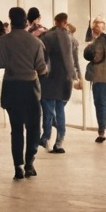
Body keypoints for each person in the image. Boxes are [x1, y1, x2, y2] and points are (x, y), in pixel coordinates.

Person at [0, 6, 46, 179]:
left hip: (12, 87)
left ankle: (18, 166)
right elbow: (42, 69)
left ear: (11, 20)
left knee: (16, 129)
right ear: (26, 21)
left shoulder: (3, 42)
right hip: (30, 88)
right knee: (33, 127)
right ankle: (30, 162)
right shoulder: (36, 42)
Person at [39, 12, 79, 154]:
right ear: (65, 22)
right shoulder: (72, 39)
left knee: (48, 110)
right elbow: (75, 61)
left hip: (50, 78)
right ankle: (59, 142)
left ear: (56, 21)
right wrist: (76, 76)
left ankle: (46, 137)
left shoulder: (47, 37)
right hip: (65, 80)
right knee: (60, 110)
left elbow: (42, 57)